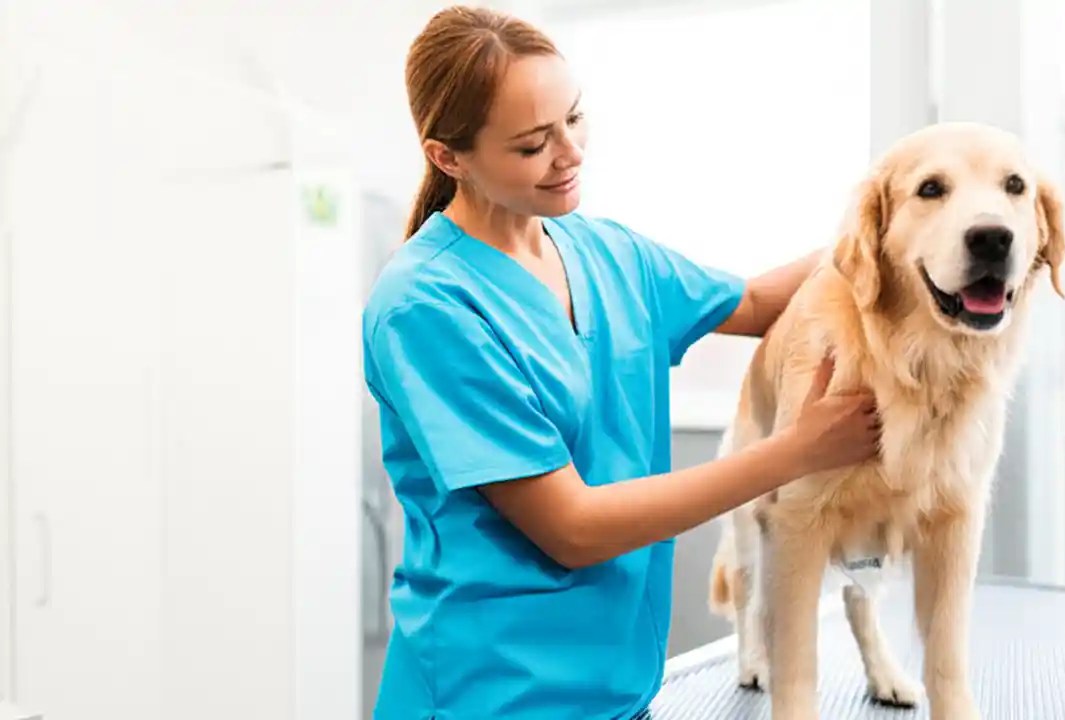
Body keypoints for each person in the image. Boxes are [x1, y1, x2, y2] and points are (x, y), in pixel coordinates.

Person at [362, 6, 881, 719]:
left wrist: (893, 225)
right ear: (449, 157)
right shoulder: (426, 307)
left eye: (574, 119)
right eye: (532, 144)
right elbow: (572, 529)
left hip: (620, 689)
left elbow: (759, 303)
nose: (570, 153)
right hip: (489, 695)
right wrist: (796, 452)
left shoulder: (607, 253)